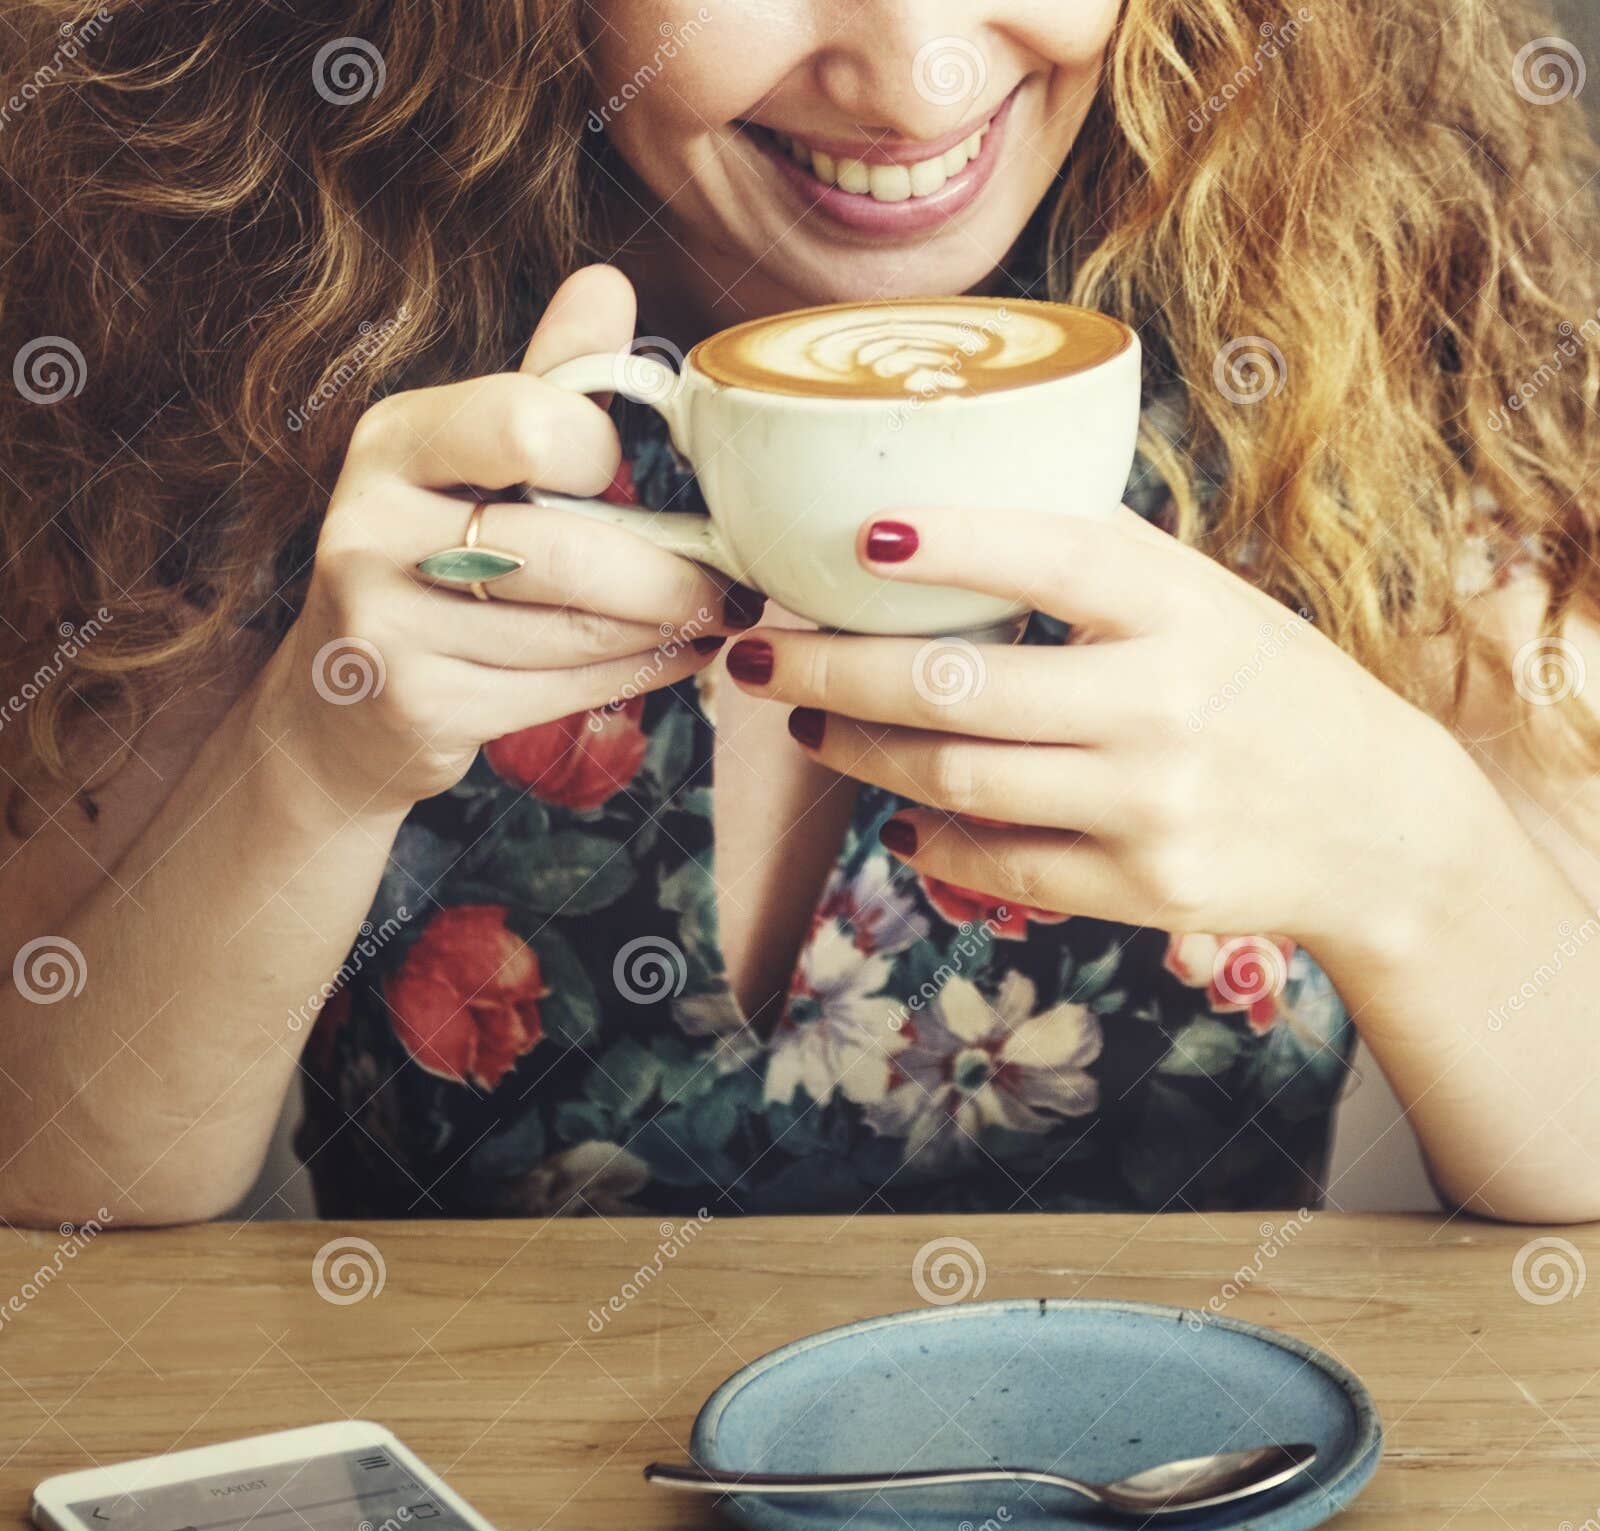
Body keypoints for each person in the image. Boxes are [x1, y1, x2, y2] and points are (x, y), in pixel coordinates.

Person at [2, 2, 1597, 1225]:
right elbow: (60, 1202)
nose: (920, 82)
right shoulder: (240, 327)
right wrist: (311, 765)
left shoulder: (1371, 309)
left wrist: (1418, 860)